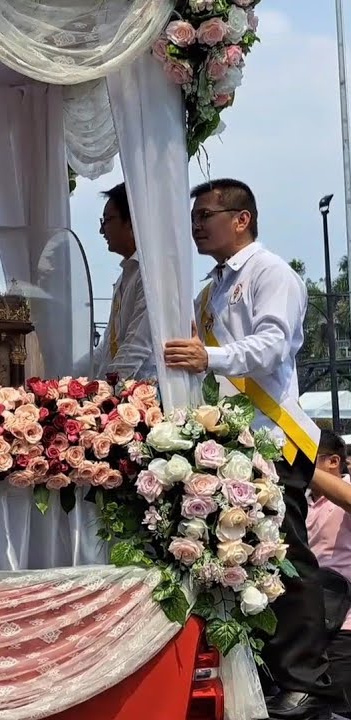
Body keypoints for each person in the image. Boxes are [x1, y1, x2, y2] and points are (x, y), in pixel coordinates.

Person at [163, 178, 336, 719]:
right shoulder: (212, 286)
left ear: (242, 219)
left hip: (276, 434)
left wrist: (207, 359)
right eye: (194, 217)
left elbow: (272, 345)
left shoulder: (270, 273)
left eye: (206, 215)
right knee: (248, 557)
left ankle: (310, 681)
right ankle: (270, 672)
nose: (197, 225)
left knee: (287, 558)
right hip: (235, 438)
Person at [93, 183, 155, 380]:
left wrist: (107, 393)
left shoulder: (151, 275)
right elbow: (107, 348)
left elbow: (135, 346)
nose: (102, 231)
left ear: (131, 222)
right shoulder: (126, 275)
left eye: (108, 220)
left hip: (142, 396)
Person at [310, 431, 351, 717]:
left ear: (334, 461)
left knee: (339, 710)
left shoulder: (347, 488)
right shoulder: (300, 498)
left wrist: (302, 468)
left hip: (344, 626)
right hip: (307, 623)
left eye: (310, 459)